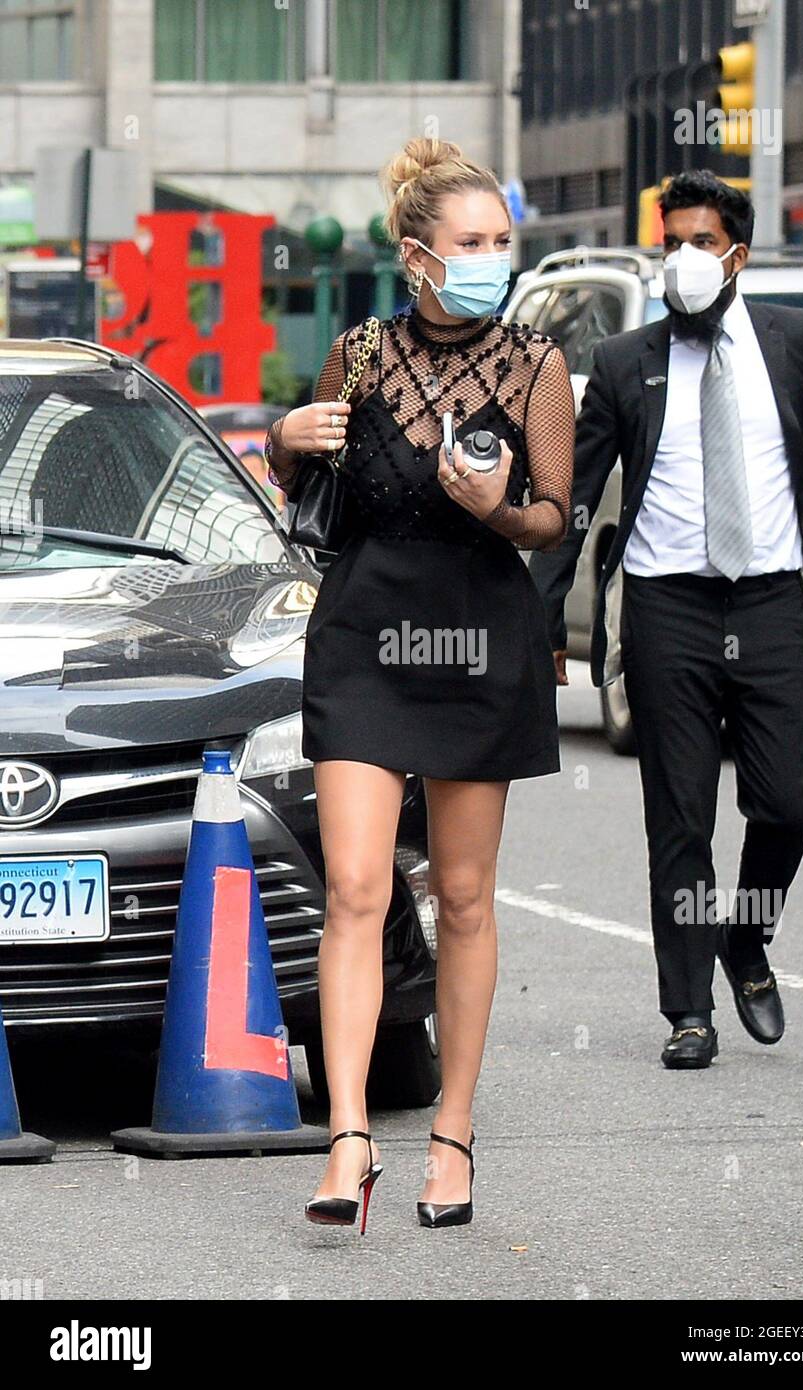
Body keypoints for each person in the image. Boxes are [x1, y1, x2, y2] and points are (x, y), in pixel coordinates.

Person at [265, 136, 575, 1226]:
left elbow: (553, 516)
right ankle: (349, 1136)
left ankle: (451, 1133)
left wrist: (498, 509)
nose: (494, 256)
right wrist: (283, 434)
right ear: (417, 256)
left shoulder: (535, 366)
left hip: (478, 642)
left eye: (504, 240)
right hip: (362, 635)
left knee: (462, 895)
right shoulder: (355, 354)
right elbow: (304, 482)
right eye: (475, 241)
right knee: (354, 887)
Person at [530, 170, 803, 1069]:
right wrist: (534, 619)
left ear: (738, 256)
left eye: (702, 242)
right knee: (679, 814)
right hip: (667, 608)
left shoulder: (795, 343)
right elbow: (572, 494)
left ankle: (745, 940)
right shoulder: (622, 359)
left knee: (788, 800)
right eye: (672, 240)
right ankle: (689, 1012)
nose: (685, 257)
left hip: (766, 602)